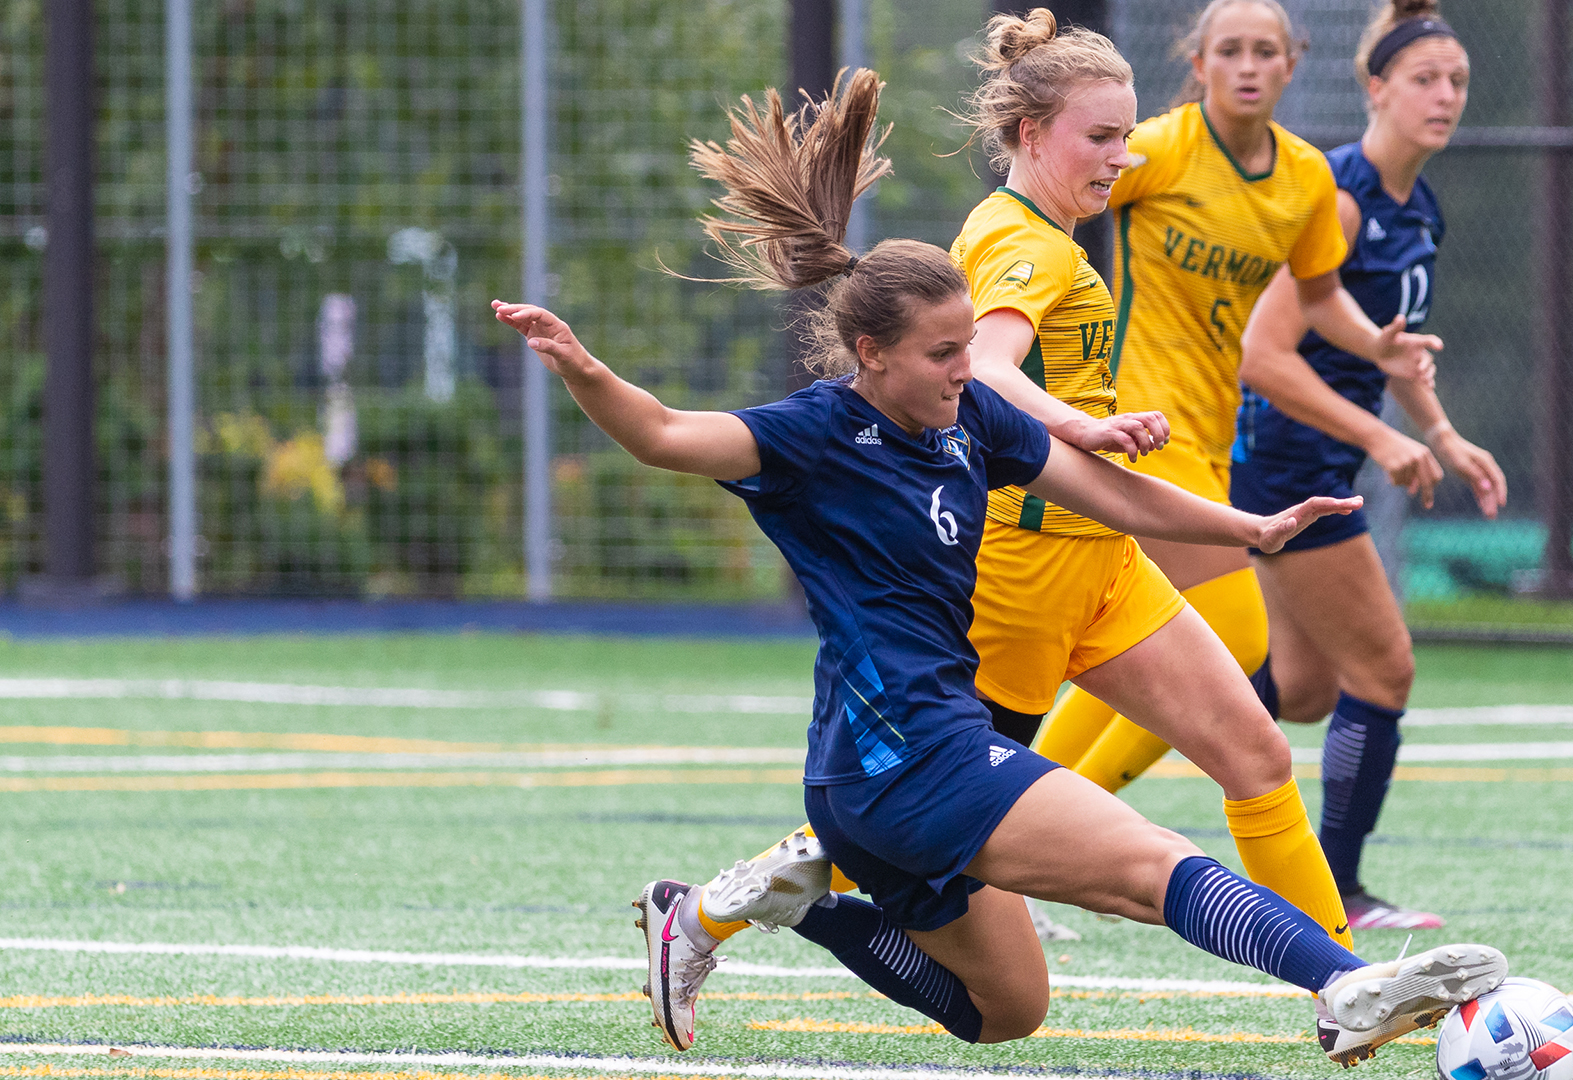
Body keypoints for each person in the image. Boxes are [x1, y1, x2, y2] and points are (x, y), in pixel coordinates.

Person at [494, 65, 1505, 1068]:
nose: (965, 368)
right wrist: (585, 370)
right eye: (944, 354)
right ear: (869, 354)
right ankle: (1342, 983)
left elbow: (1106, 494)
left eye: (965, 345)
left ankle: (798, 904)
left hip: (881, 769)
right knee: (1153, 865)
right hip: (909, 761)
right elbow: (668, 434)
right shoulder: (814, 436)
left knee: (1007, 1010)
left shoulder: (965, 413)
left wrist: (1252, 528)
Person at [686, 4, 1368, 972]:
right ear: (1030, 133)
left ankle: (1350, 983)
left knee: (1253, 754)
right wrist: (1083, 425)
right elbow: (992, 370)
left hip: (1101, 561)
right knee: (933, 817)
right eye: (1100, 137)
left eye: (1127, 135)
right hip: (1019, 572)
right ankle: (735, 899)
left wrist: (1246, 525)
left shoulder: (1047, 231)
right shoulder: (1024, 244)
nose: (1120, 157)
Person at [1028, 0, 1439, 825]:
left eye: (1264, 51)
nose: (1247, 65)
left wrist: (1377, 347)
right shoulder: (1162, 148)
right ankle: (1041, 831)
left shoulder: (1305, 178)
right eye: (1230, 51)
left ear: (1291, 65)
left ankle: (1013, 832)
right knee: (1238, 643)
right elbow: (1053, 193)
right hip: (1137, 429)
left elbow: (1321, 296)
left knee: (1133, 650)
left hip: (1213, 442)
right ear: (1200, 66)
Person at [1229, 0, 1507, 930]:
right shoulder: (1340, 196)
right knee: (1385, 672)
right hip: (1289, 457)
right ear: (1376, 87)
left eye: (1458, 80)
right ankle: (1333, 893)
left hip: (1325, 455)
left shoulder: (1418, 205)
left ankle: (1139, 715)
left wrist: (1440, 433)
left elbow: (1392, 350)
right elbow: (1264, 357)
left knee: (1302, 691)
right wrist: (1384, 438)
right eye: (1425, 78)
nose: (1445, 95)